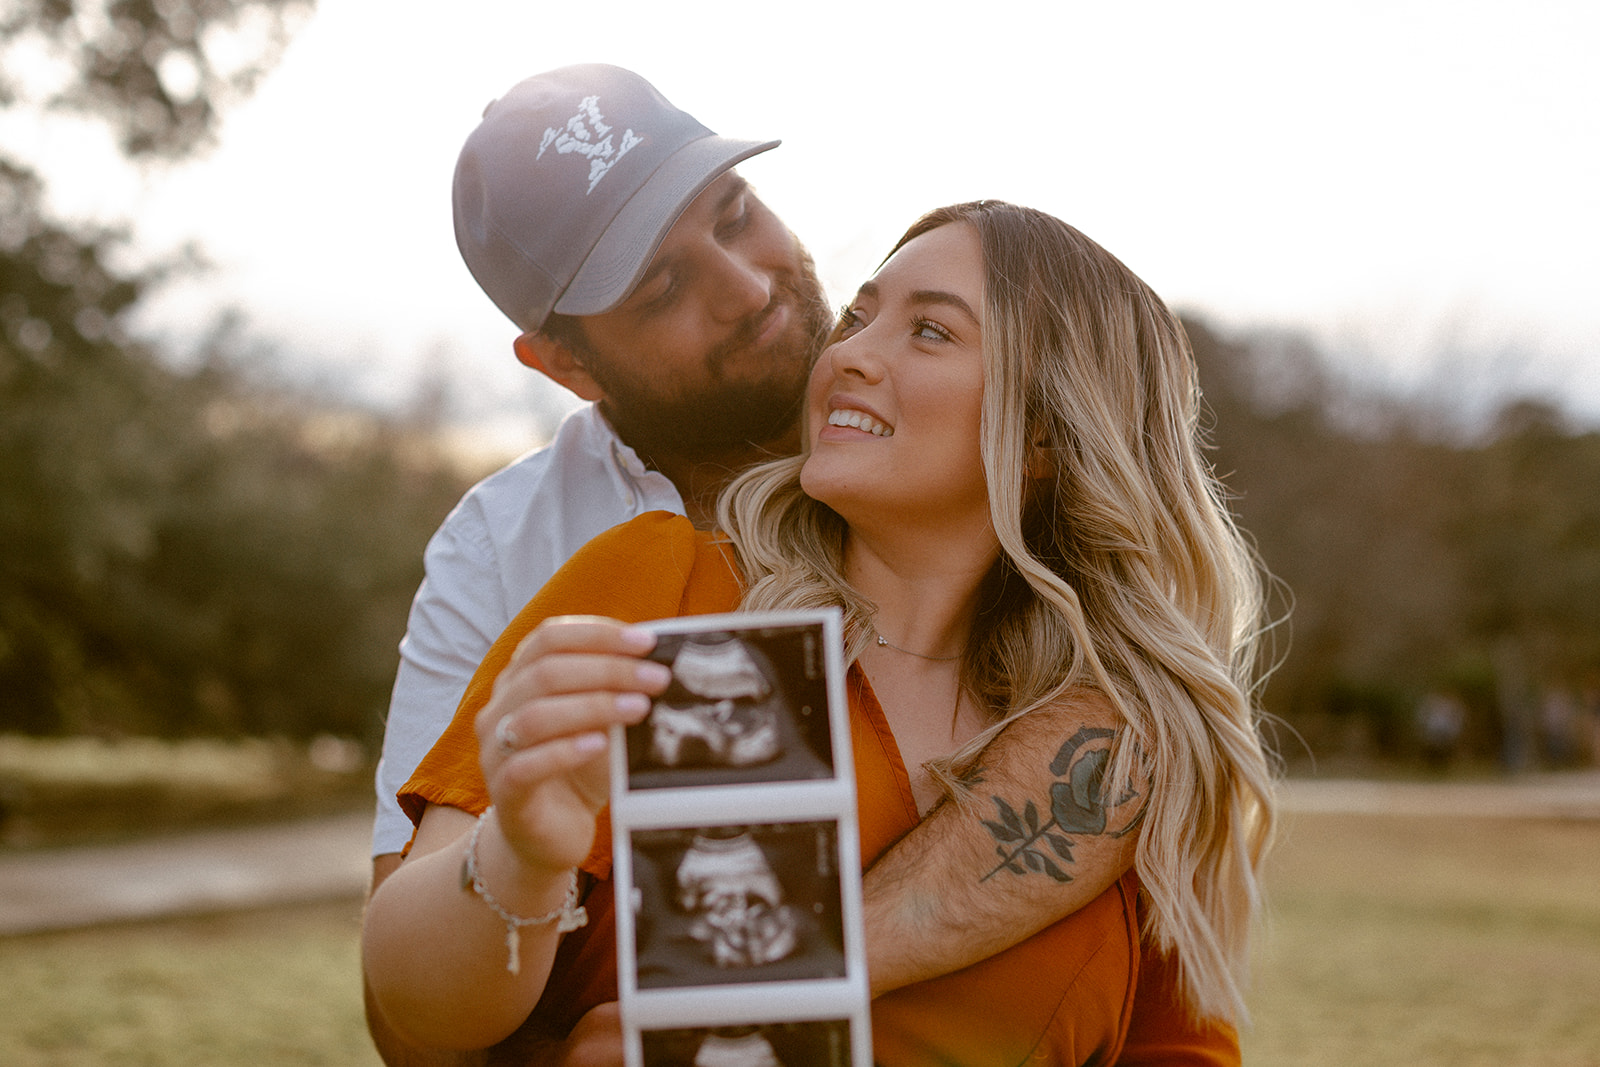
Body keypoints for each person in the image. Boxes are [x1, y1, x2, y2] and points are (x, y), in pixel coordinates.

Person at [363, 199, 1278, 1064]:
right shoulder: (661, 584)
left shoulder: (1141, 761)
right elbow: (412, 1008)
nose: (847, 355)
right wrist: (516, 856)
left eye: (929, 330)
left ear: (1044, 432)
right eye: (858, 316)